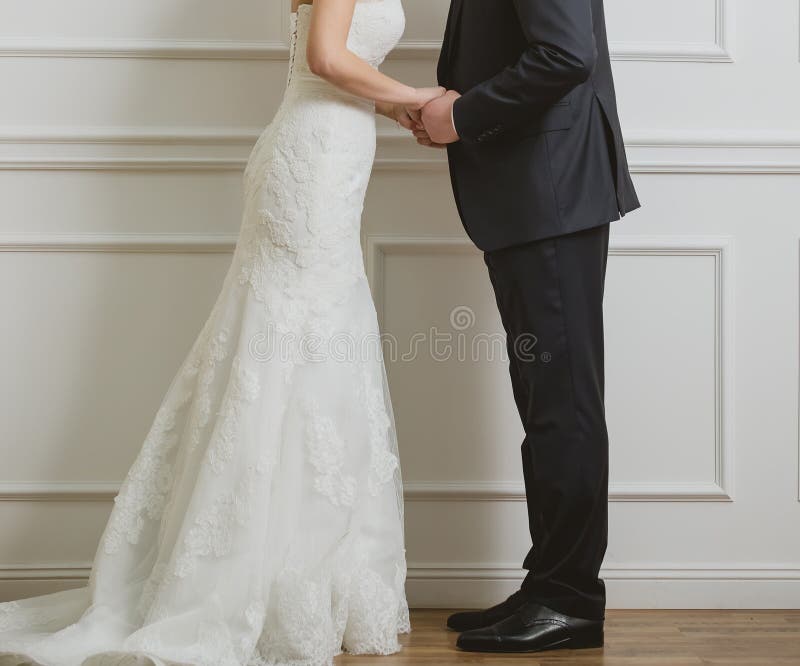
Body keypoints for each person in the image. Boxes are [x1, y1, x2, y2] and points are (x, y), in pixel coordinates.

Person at [0, 2, 439, 664]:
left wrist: (397, 110)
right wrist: (416, 97)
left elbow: (336, 68)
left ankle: (303, 578)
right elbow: (325, 57)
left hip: (333, 151)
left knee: (316, 349)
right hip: (313, 158)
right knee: (285, 349)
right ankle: (241, 580)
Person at [408, 0, 641, 654]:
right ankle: (550, 586)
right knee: (548, 403)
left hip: (552, 189)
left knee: (561, 406)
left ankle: (567, 601)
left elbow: (565, 54)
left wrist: (461, 114)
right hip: (539, 188)